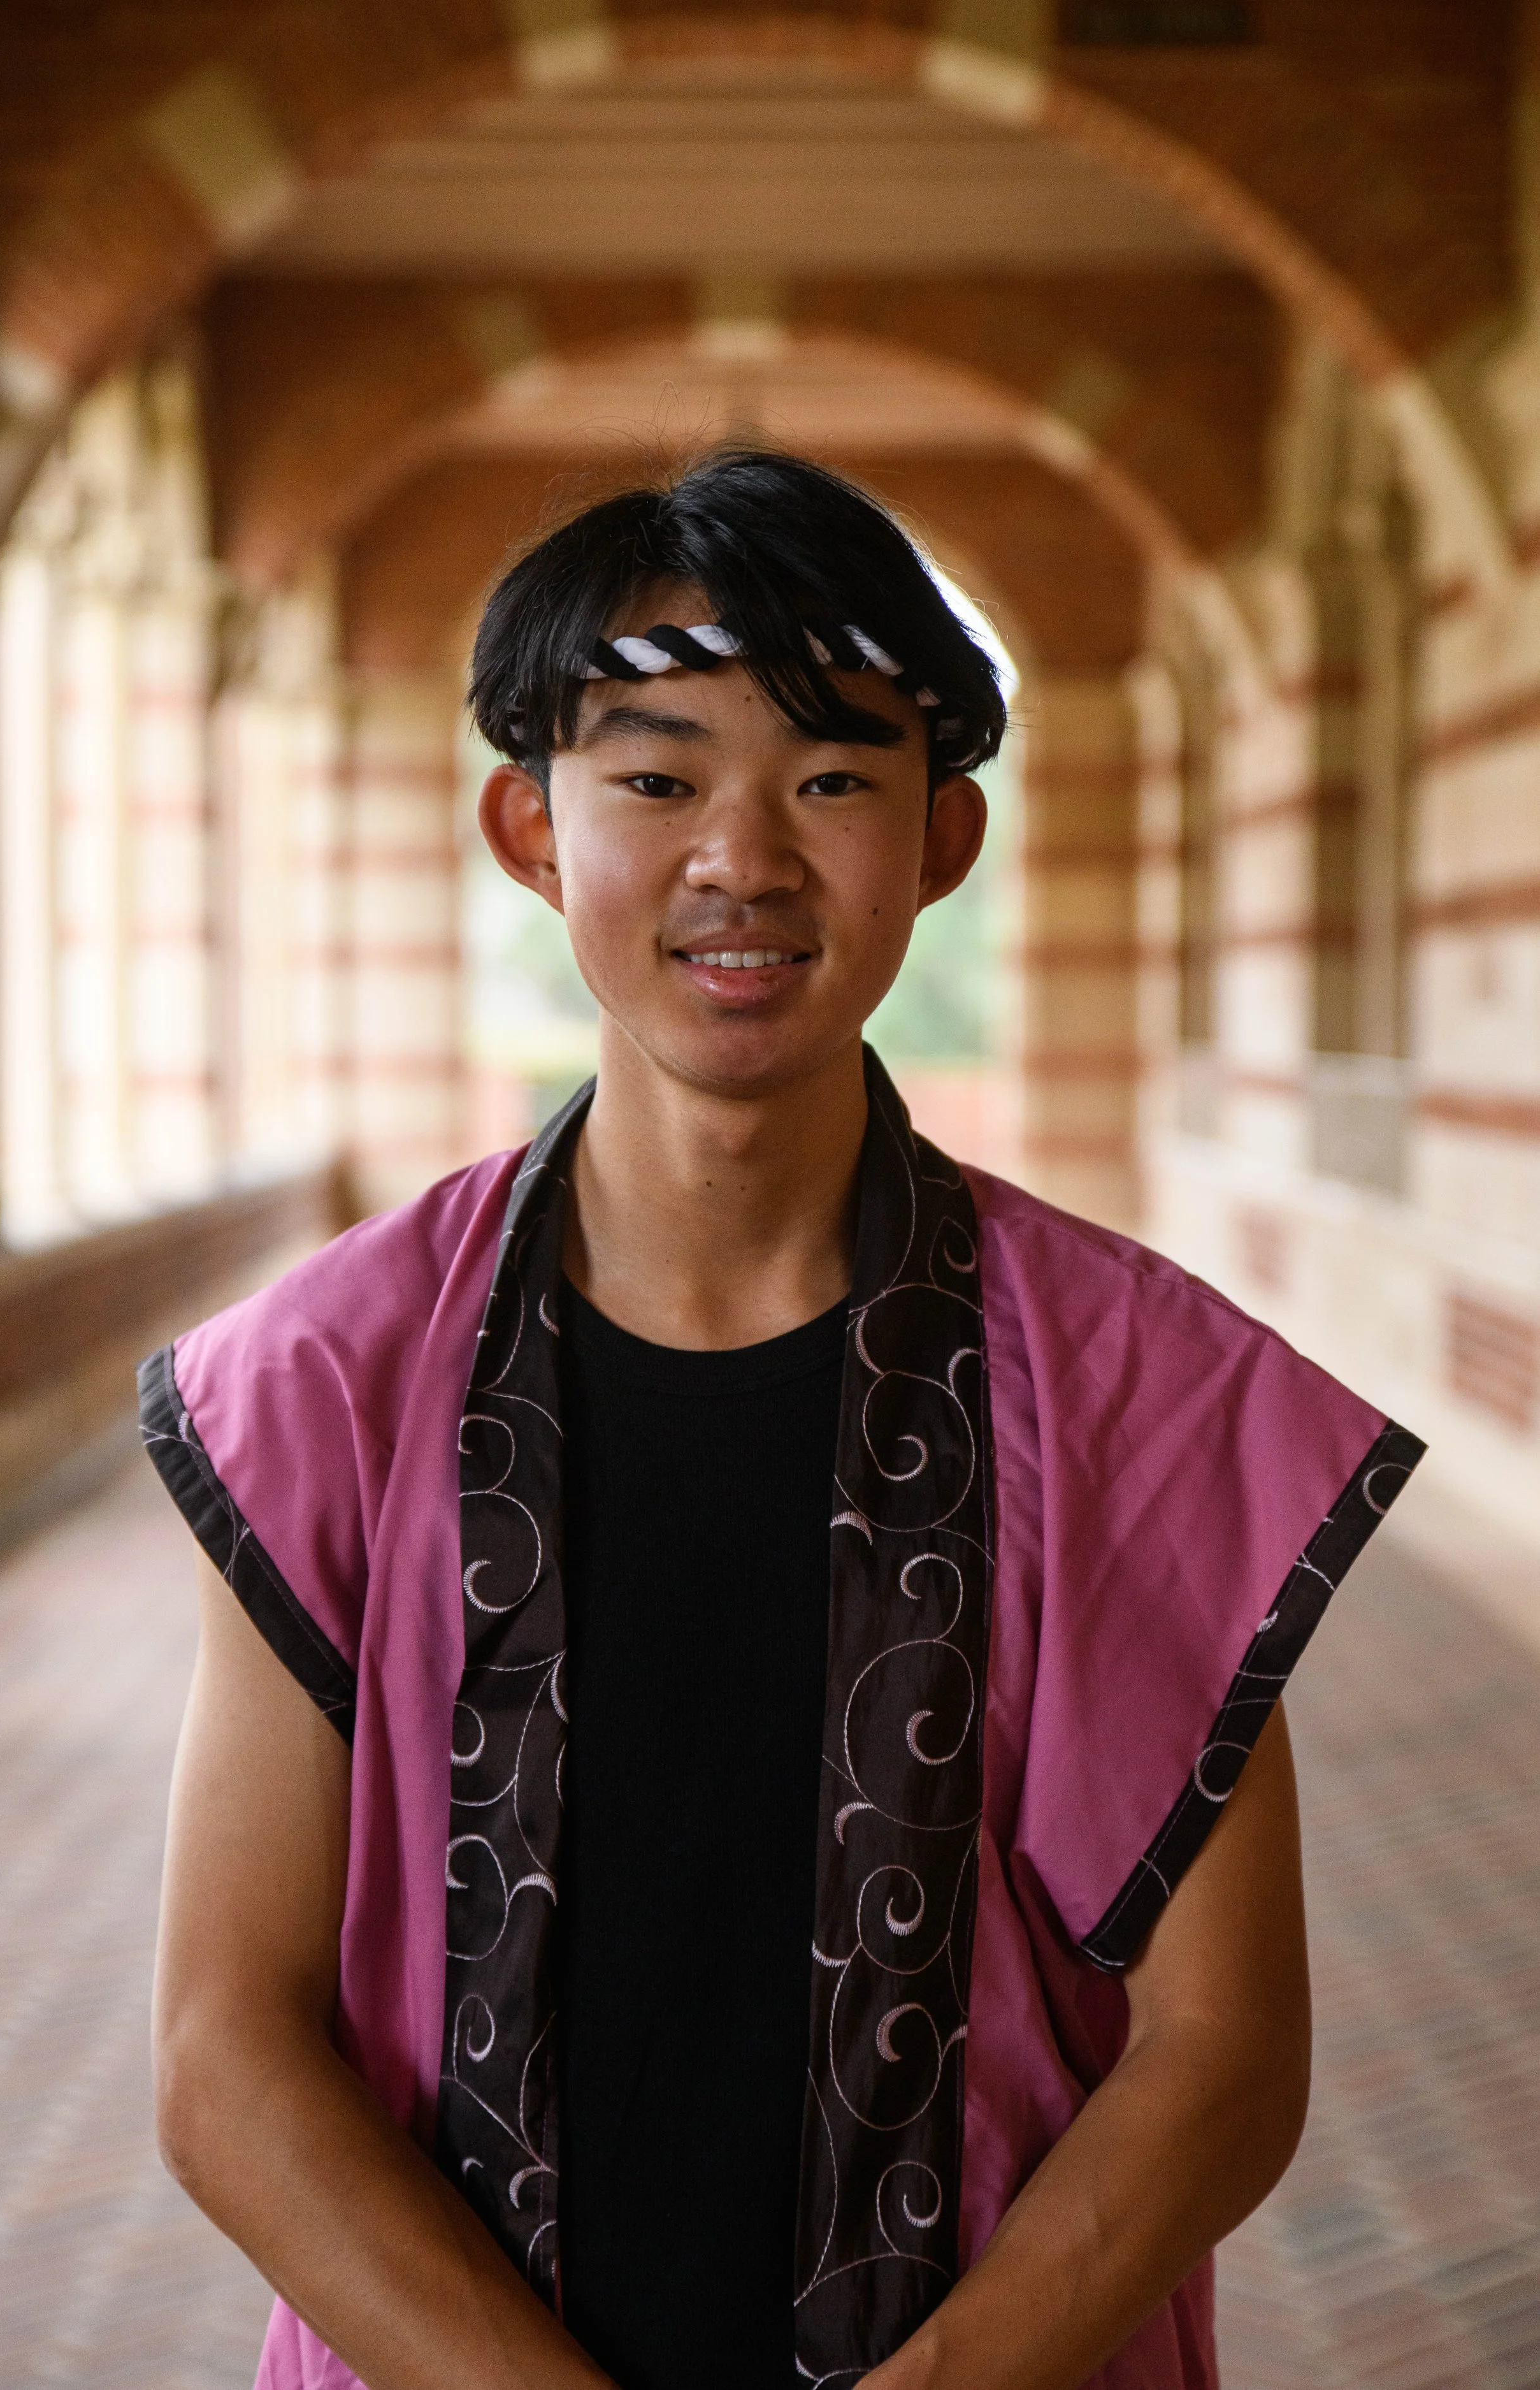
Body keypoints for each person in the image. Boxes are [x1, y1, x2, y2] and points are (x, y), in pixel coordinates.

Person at [143, 448, 1423, 2390]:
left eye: (831, 778)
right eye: (653, 779)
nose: (740, 857)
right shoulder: (336, 1375)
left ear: (942, 837)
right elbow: (223, 2053)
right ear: (528, 825)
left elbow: (1223, 2057)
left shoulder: (1134, 1384)